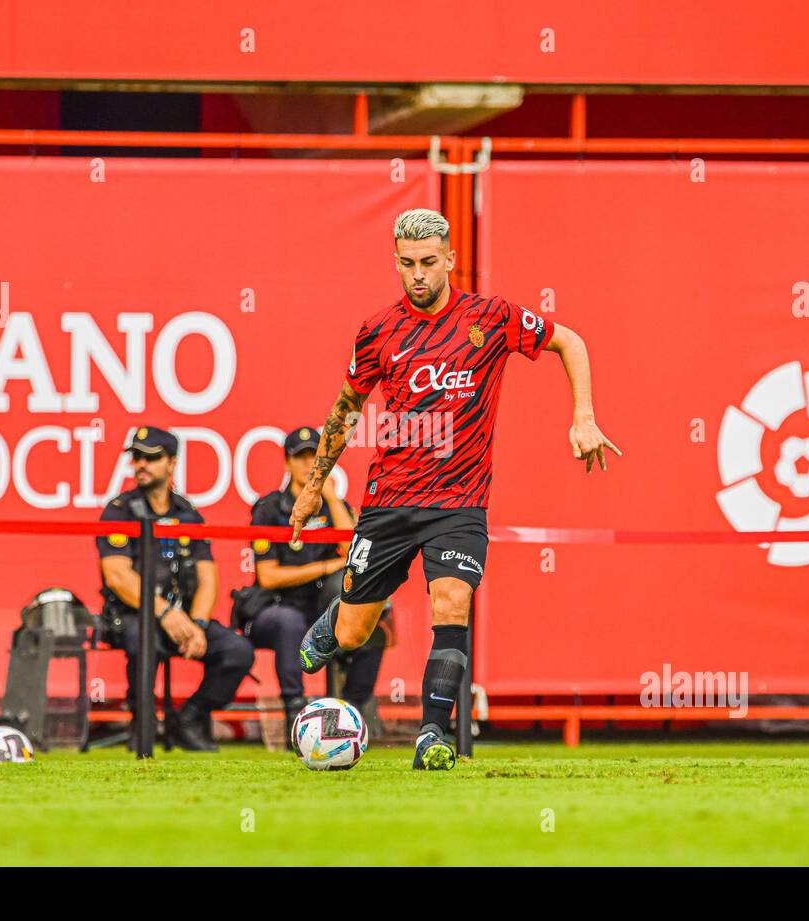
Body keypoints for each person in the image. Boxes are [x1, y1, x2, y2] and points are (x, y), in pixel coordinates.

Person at [292, 208, 621, 770]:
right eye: (406, 264)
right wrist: (313, 487)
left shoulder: (491, 317)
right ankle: (336, 620)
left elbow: (572, 341)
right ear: (395, 262)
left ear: (448, 260)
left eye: (427, 263)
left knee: (452, 603)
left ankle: (432, 735)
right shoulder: (377, 331)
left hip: (459, 502)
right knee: (352, 633)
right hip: (389, 501)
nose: (417, 274)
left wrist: (583, 416)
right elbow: (346, 410)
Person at [96, 426, 254, 752]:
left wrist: (196, 624)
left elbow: (208, 576)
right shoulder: (119, 510)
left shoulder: (188, 515)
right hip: (134, 615)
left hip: (182, 615)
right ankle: (143, 722)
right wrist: (165, 613)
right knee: (144, 640)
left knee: (237, 651)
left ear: (171, 463)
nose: (141, 464)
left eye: (151, 458)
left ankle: (189, 719)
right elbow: (117, 576)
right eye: (137, 457)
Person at [245, 426, 387, 742]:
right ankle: (295, 716)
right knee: (289, 622)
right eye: (301, 456)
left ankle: (351, 711)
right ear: (287, 463)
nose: (309, 463)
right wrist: (325, 566)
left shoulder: (336, 508)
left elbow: (356, 557)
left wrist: (333, 498)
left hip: (324, 607)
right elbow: (269, 576)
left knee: (374, 613)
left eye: (315, 456)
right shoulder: (268, 509)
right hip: (277, 607)